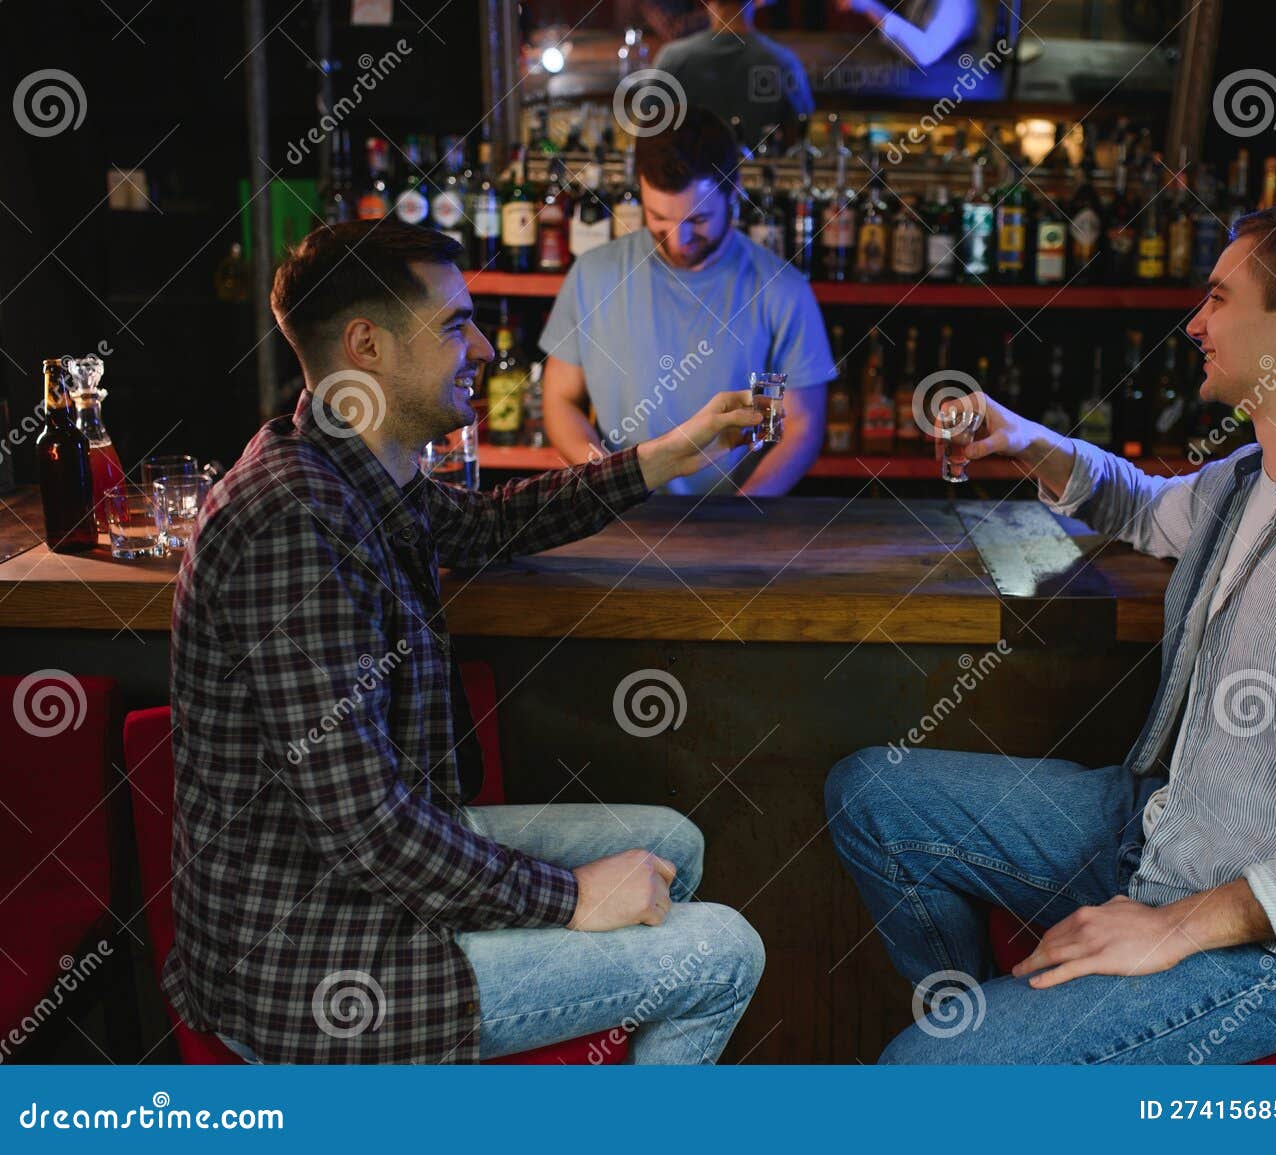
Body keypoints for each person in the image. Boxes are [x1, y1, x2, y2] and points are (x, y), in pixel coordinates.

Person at [826, 200, 1276, 1064]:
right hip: (1158, 829)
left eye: (1219, 298)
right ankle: (1006, 1048)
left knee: (919, 1072)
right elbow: (1146, 508)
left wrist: (1174, 928)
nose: (1195, 323)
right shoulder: (1252, 475)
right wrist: (1023, 438)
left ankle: (979, 1066)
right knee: (871, 796)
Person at [164, 220, 766, 1064]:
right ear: (366, 344)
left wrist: (665, 455)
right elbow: (368, 829)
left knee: (674, 843)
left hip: (367, 887)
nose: (482, 345)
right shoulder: (293, 521)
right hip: (318, 960)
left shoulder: (351, 466)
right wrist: (570, 899)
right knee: (722, 950)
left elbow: (486, 523)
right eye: (455, 324)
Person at [541, 107, 833, 496]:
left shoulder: (783, 289)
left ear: (735, 189)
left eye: (698, 220)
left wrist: (742, 514)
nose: (679, 240)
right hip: (622, 514)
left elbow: (803, 426)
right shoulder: (593, 275)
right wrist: (608, 483)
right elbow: (560, 400)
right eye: (659, 218)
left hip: (739, 517)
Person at [654, 1, 814, 151]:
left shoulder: (673, 59)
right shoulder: (783, 62)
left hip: (689, 177)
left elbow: (649, 130)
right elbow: (802, 132)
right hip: (762, 176)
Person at [833, 0, 975, 69]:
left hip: (943, 93)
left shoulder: (956, 4)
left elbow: (926, 53)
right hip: (909, 76)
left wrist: (865, 6)